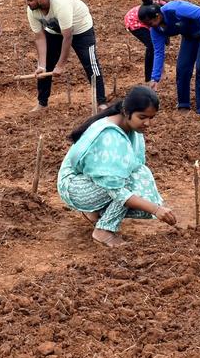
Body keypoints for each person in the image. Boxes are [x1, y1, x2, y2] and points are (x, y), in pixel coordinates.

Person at [57, 85, 177, 247]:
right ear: (127, 112)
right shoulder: (109, 136)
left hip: (88, 180)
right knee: (129, 181)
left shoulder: (130, 128)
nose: (147, 123)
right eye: (142, 117)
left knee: (136, 174)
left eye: (151, 118)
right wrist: (155, 209)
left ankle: (93, 212)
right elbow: (117, 190)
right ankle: (103, 231)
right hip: (74, 186)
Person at [23, 0, 106, 112]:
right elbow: (39, 37)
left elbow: (67, 37)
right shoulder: (32, 10)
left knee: (90, 63)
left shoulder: (61, 4)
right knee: (45, 66)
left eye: (30, 0)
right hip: (54, 31)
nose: (27, 3)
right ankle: (42, 103)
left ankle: (101, 102)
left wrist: (60, 65)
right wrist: (42, 66)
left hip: (81, 29)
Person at [137, 0, 200, 115]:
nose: (150, 27)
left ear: (157, 16)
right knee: (182, 68)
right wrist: (155, 78)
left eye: (150, 23)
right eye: (147, 25)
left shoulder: (175, 8)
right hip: (190, 34)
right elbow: (159, 52)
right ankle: (183, 105)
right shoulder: (155, 30)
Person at [124, 0, 165, 83]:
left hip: (145, 18)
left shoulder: (161, 10)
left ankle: (159, 71)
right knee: (151, 46)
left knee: (158, 43)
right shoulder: (158, 10)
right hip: (134, 21)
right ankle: (149, 77)